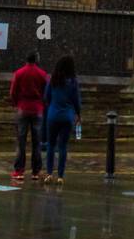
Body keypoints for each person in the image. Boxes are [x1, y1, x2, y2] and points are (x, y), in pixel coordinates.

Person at [9, 51, 48, 182]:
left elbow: (13, 91)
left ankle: (19, 171)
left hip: (23, 107)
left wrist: (17, 103)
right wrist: (42, 104)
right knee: (37, 142)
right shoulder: (42, 74)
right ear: (36, 60)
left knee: (21, 141)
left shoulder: (19, 73)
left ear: (26, 60)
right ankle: (36, 171)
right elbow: (46, 93)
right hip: (37, 109)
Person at [43, 54, 82, 187]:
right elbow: (76, 101)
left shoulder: (52, 80)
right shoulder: (73, 82)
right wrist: (78, 113)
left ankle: (48, 173)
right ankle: (60, 176)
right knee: (63, 146)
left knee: (51, 145)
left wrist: (52, 105)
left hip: (53, 115)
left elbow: (46, 97)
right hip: (67, 117)